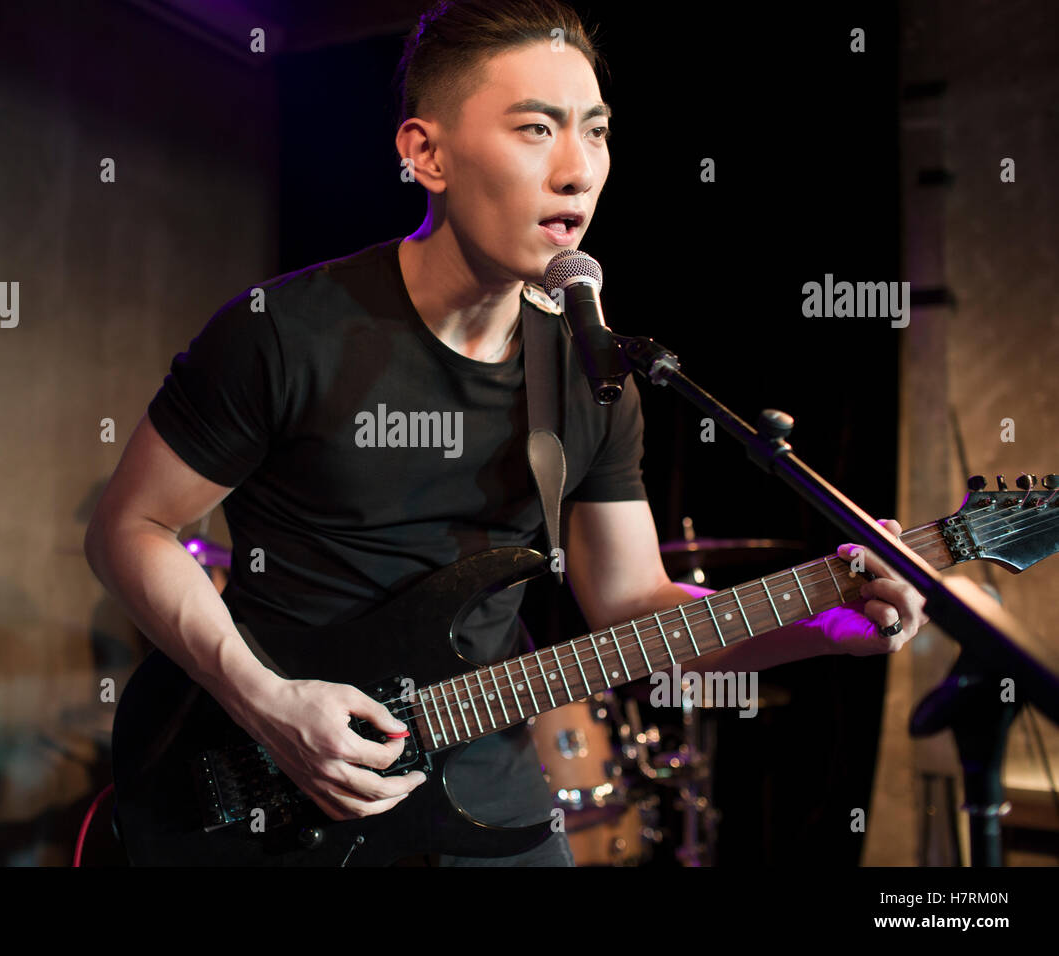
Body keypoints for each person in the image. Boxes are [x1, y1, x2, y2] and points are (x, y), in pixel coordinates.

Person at [84, 0, 929, 866]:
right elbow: (130, 530)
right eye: (537, 129)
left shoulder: (590, 375)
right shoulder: (283, 333)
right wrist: (267, 702)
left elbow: (635, 610)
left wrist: (821, 621)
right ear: (427, 153)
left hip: (489, 796)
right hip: (266, 775)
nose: (578, 171)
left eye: (596, 133)